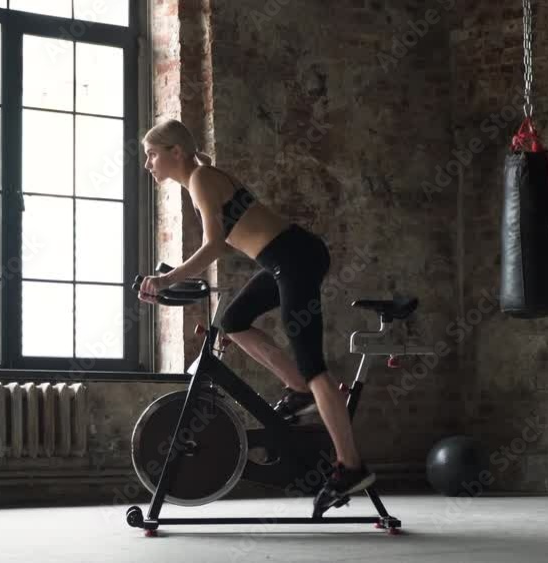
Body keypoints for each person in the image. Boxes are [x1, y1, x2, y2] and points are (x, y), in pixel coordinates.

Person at [137, 118, 376, 511]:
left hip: (293, 257)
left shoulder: (200, 178)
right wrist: (172, 280)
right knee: (234, 321)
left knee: (314, 366)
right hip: (282, 259)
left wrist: (166, 281)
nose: (148, 163)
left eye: (151, 154)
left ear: (174, 152)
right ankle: (298, 389)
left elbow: (215, 246)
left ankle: (351, 466)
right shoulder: (201, 179)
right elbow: (223, 245)